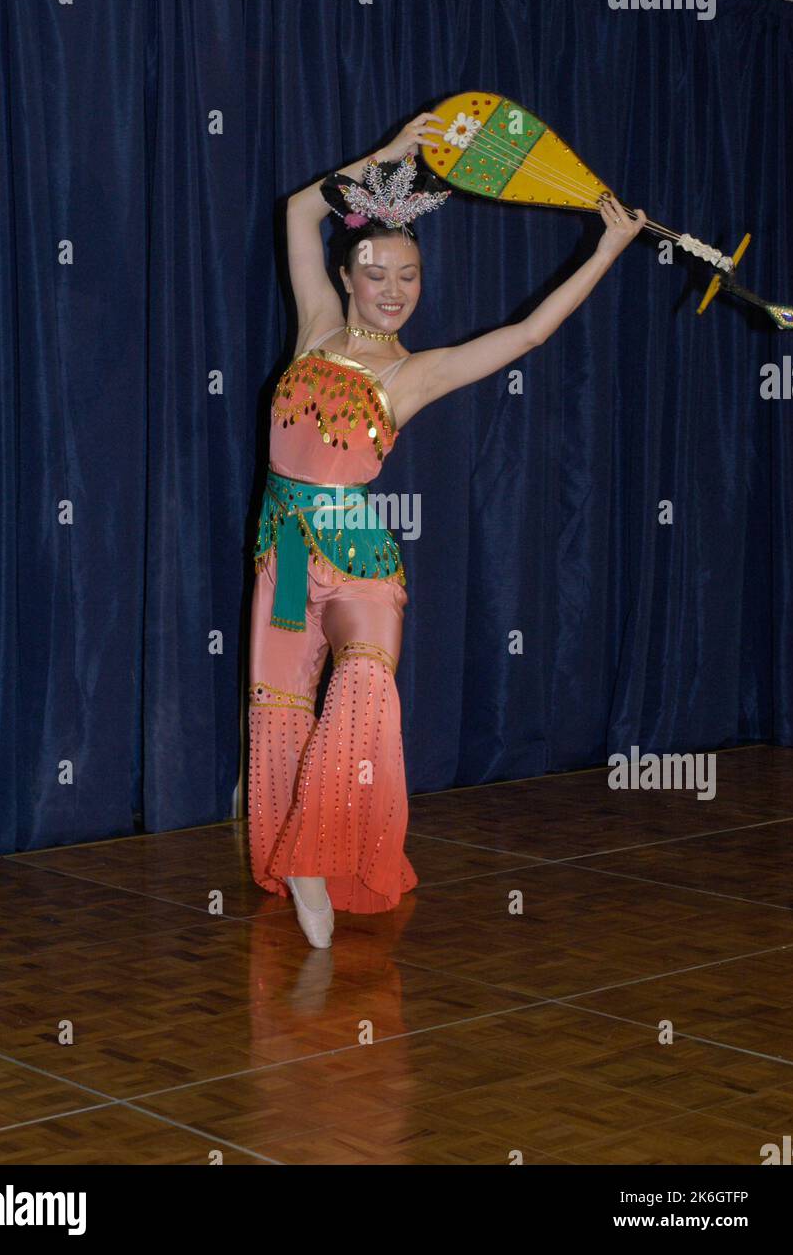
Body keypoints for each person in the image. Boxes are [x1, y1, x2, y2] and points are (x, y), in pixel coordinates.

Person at [248, 111, 646, 948]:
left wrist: (605, 251)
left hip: (360, 558)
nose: (394, 289)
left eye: (410, 276)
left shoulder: (414, 373)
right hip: (282, 557)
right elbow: (297, 211)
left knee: (361, 687)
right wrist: (387, 158)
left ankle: (317, 853)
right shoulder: (314, 327)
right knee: (281, 703)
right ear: (348, 275)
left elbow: (529, 331)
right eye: (377, 271)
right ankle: (292, 854)